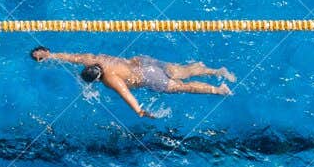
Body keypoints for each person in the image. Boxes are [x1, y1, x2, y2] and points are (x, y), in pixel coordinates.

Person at [30, 46, 234, 119]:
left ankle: (219, 89)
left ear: (98, 79)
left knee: (183, 87)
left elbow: (126, 94)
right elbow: (71, 57)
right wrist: (51, 55)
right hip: (143, 62)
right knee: (180, 71)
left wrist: (139, 111)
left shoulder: (110, 80)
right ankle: (216, 70)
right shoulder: (92, 60)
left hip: (148, 77)